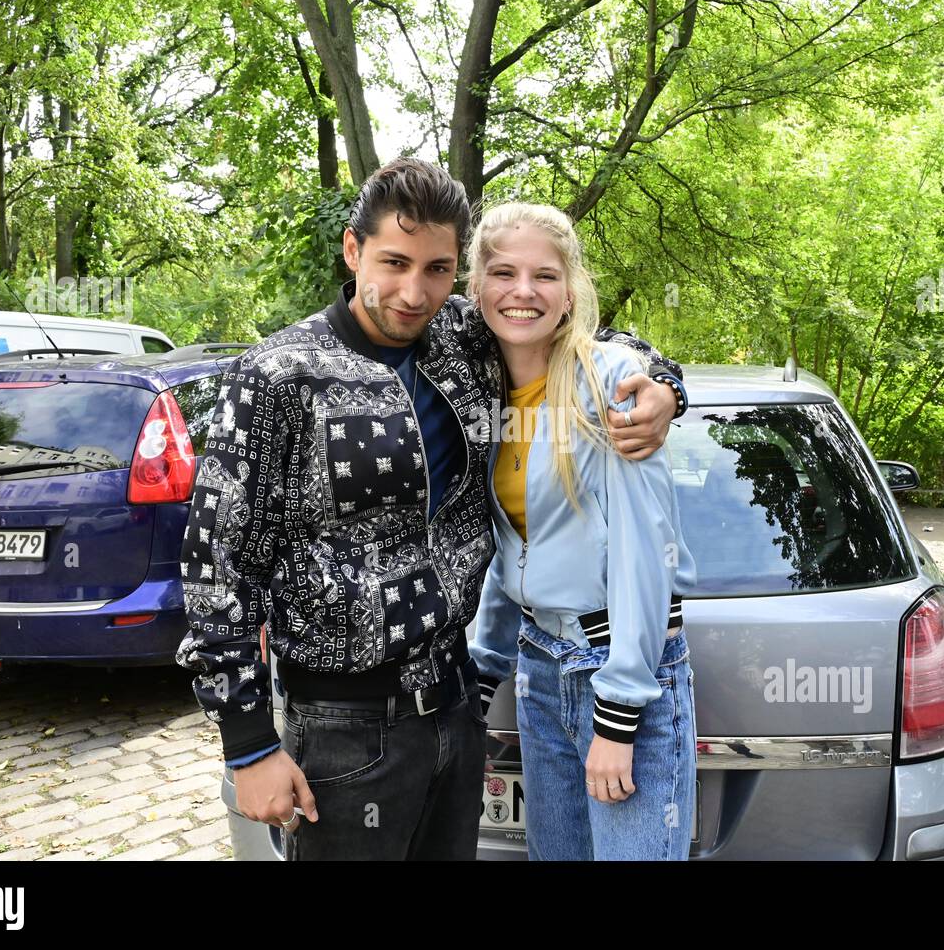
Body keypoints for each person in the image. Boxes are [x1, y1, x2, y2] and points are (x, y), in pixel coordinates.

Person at [177, 158, 689, 860]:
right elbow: (217, 567)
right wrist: (246, 744)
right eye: (393, 262)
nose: (413, 292)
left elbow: (582, 340)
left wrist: (663, 388)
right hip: (341, 726)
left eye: (438, 270)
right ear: (354, 250)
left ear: (457, 276)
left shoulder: (462, 340)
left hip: (454, 713)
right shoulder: (276, 376)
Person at [468, 203, 697, 861]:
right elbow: (512, 549)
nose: (523, 291)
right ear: (478, 286)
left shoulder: (610, 387)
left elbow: (646, 557)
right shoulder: (483, 393)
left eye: (544, 275)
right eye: (504, 272)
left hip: (621, 672)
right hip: (539, 670)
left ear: (570, 292)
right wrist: (484, 676)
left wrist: (618, 718)